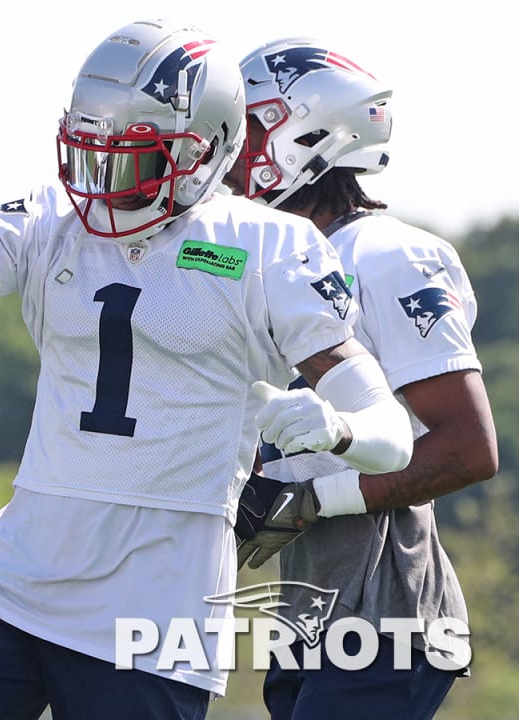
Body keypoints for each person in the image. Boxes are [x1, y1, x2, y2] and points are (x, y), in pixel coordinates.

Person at [0, 18, 416, 720]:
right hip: (16, 573)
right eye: (90, 152)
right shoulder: (51, 218)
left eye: (129, 157)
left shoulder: (265, 245)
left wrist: (340, 429)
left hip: (157, 601)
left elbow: (395, 436)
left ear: (201, 151)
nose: (101, 181)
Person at [224, 37, 498, 719]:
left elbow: (468, 446)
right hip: (314, 611)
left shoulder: (385, 256)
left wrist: (312, 500)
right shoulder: (281, 261)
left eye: (250, 129)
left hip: (388, 612)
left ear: (311, 134)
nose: (227, 149)